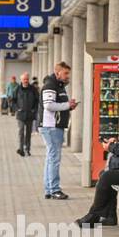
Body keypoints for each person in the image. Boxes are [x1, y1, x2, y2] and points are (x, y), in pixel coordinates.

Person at [39, 62, 78, 200]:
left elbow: (57, 105)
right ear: (57, 73)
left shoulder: (58, 86)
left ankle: (49, 189)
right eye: (65, 73)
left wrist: (68, 106)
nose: (68, 76)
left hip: (53, 126)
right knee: (54, 159)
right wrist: (67, 105)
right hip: (51, 126)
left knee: (51, 158)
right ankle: (54, 189)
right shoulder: (51, 86)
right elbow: (48, 105)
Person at [13, 72, 39, 157]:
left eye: (27, 79)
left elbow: (37, 101)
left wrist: (34, 110)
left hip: (30, 115)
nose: (26, 81)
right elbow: (13, 101)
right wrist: (17, 109)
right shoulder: (17, 89)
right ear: (21, 80)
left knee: (28, 133)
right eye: (24, 79)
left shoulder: (33, 89)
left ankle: (27, 149)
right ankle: (21, 149)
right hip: (20, 115)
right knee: (21, 132)